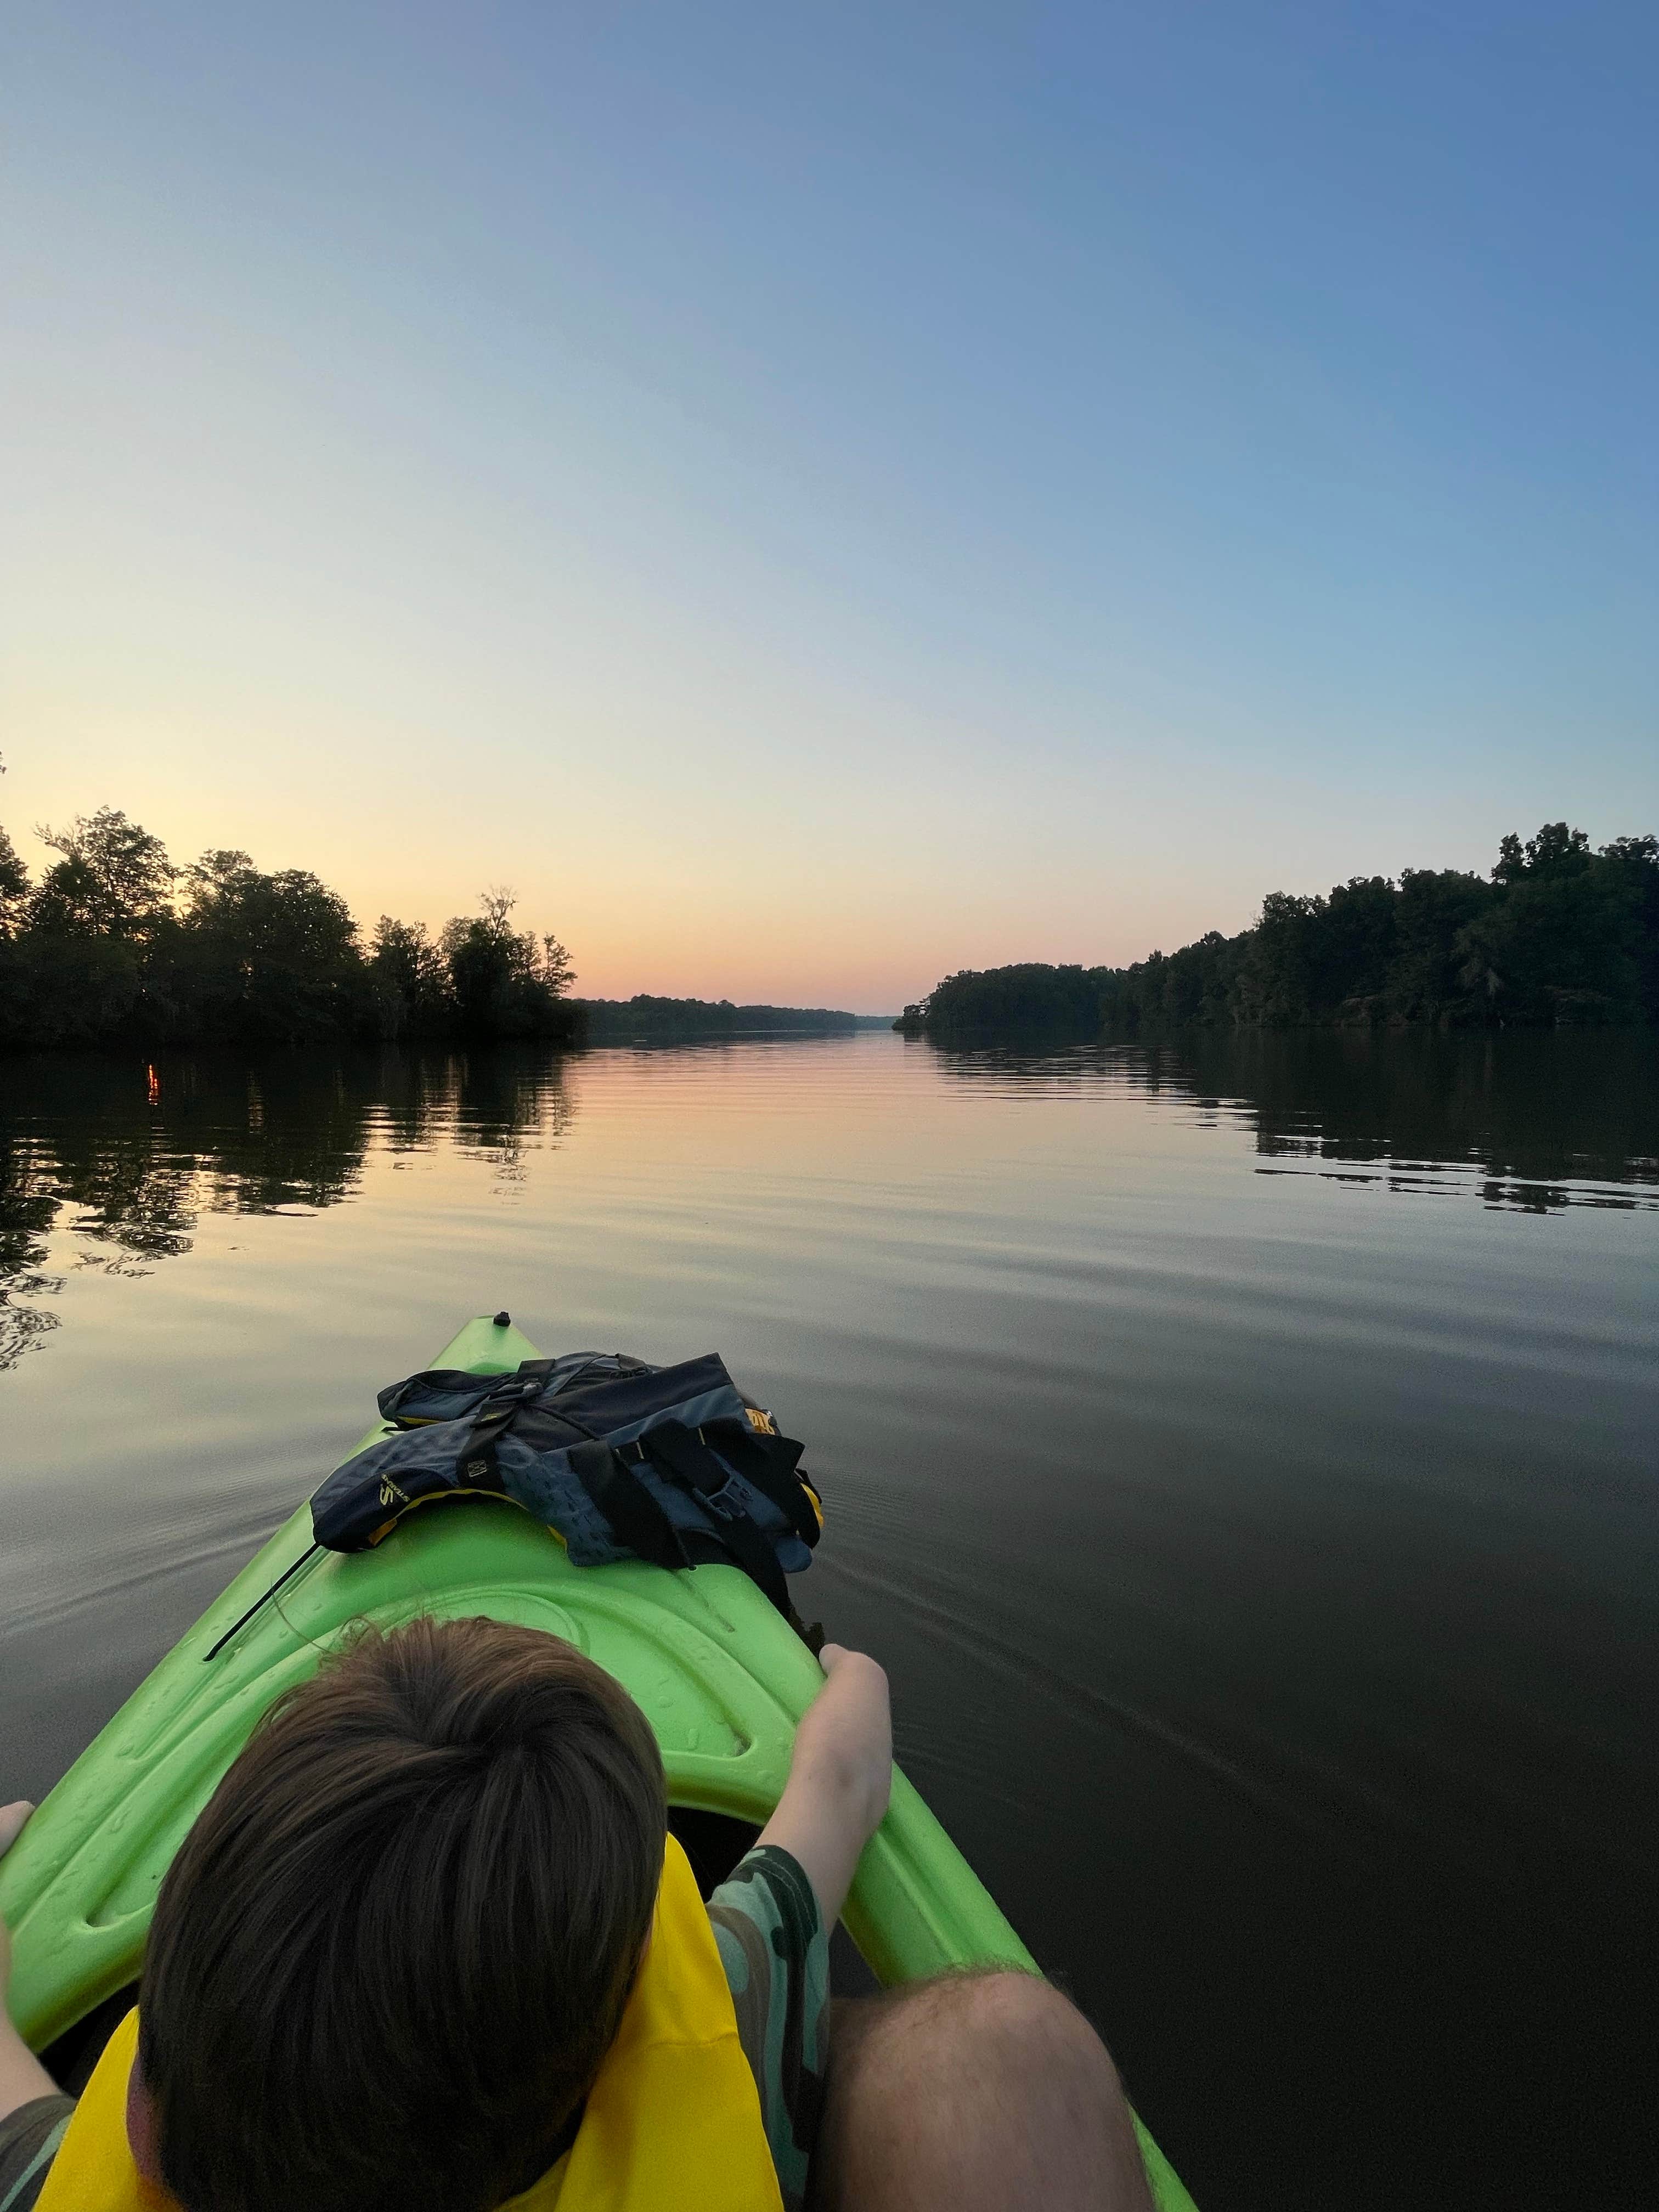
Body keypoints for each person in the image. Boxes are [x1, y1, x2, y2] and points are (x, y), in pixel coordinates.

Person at [0, 1616, 1152, 2212]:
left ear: (147, 2128)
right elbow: (841, 1784)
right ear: (596, 2074)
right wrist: (852, 1674)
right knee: (1006, 2051)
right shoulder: (735, 2017)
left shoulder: (61, 2181)